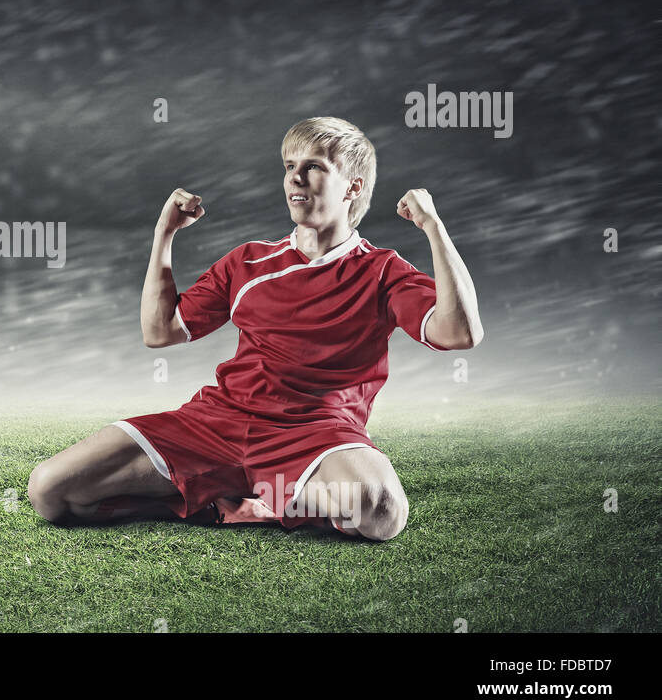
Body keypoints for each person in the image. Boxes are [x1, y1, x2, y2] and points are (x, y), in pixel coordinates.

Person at [27, 117, 484, 540]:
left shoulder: (382, 270)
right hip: (218, 423)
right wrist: (164, 235)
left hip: (316, 433)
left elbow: (460, 333)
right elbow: (161, 331)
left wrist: (433, 226)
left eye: (314, 167)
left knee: (381, 510)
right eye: (289, 167)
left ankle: (263, 496)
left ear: (352, 187)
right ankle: (227, 501)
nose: (295, 179)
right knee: (51, 490)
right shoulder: (248, 261)